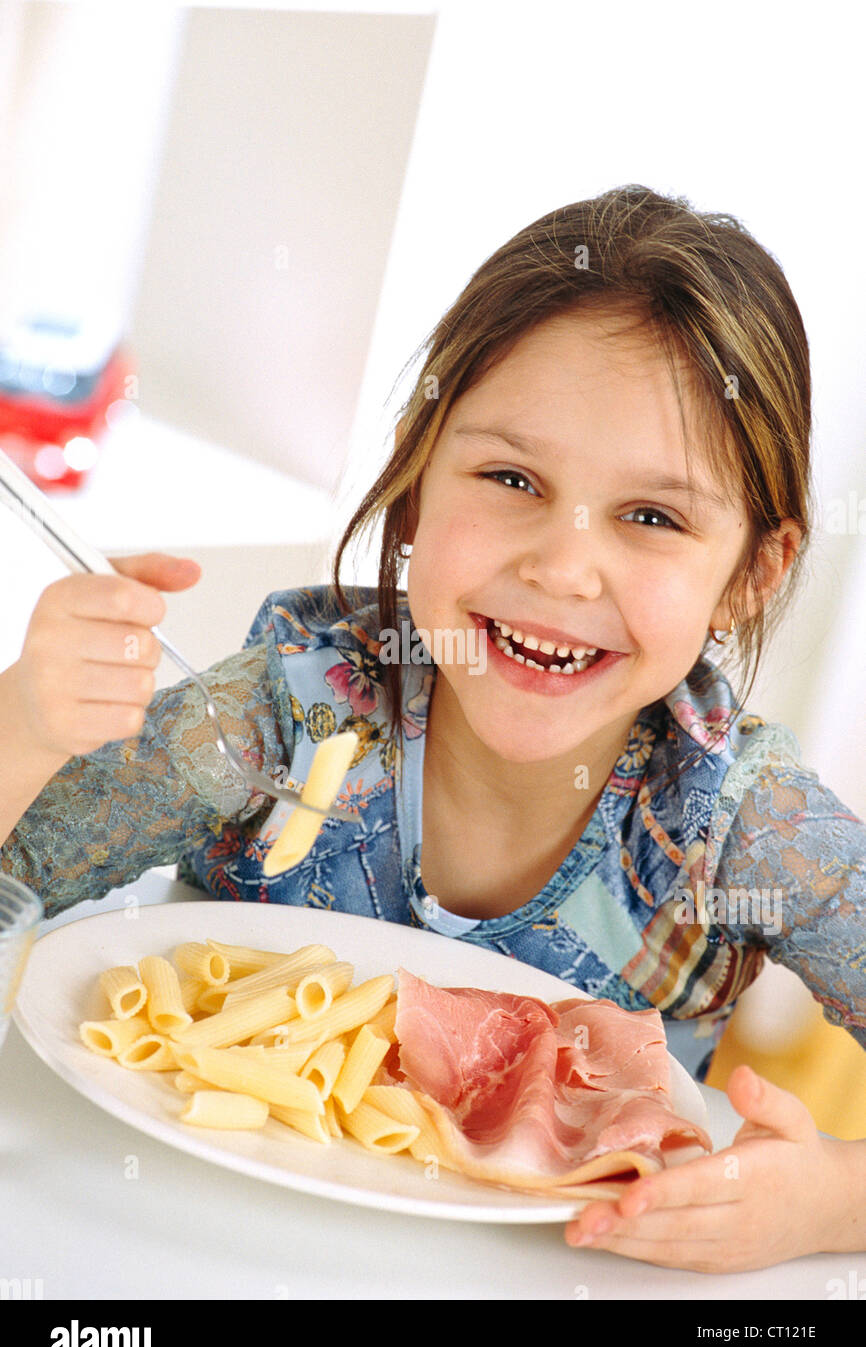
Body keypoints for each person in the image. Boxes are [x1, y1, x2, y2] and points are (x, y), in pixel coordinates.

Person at [1, 185, 864, 1272]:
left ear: (751, 571)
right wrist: (23, 719)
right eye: (511, 478)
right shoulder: (277, 721)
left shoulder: (740, 825)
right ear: (413, 486)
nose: (560, 566)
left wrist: (834, 1202)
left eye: (651, 516)